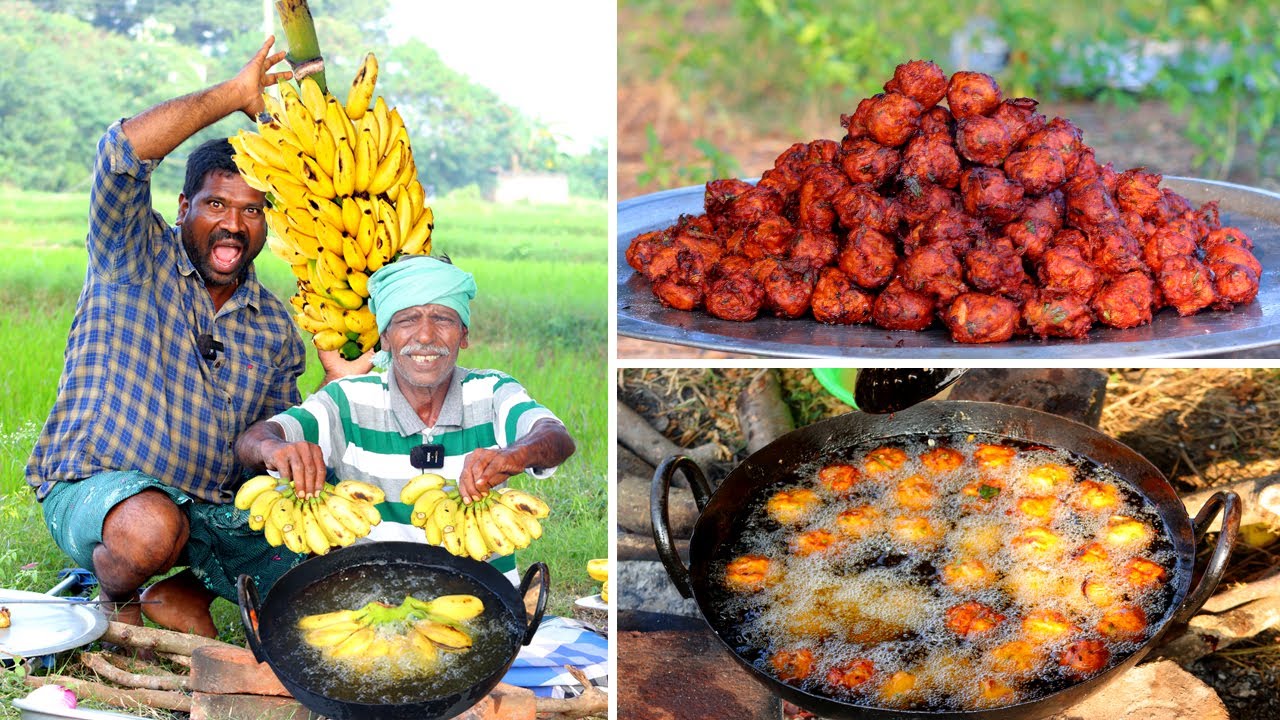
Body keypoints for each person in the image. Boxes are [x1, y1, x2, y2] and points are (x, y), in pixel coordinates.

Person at [25, 38, 367, 637]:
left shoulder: (273, 324)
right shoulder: (132, 257)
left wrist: (325, 396)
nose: (233, 224)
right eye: (216, 203)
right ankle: (112, 592)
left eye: (253, 210)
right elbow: (120, 152)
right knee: (151, 528)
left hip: (208, 511)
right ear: (184, 206)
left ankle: (178, 593)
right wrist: (233, 95)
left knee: (343, 531)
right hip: (102, 496)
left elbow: (261, 444)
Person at [235, 255, 576, 581]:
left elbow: (554, 436)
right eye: (407, 319)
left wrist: (513, 455)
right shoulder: (348, 399)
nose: (425, 336)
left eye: (442, 318)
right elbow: (253, 440)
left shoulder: (491, 391)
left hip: (482, 596)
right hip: (372, 595)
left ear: (464, 333)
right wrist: (274, 450)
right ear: (385, 336)